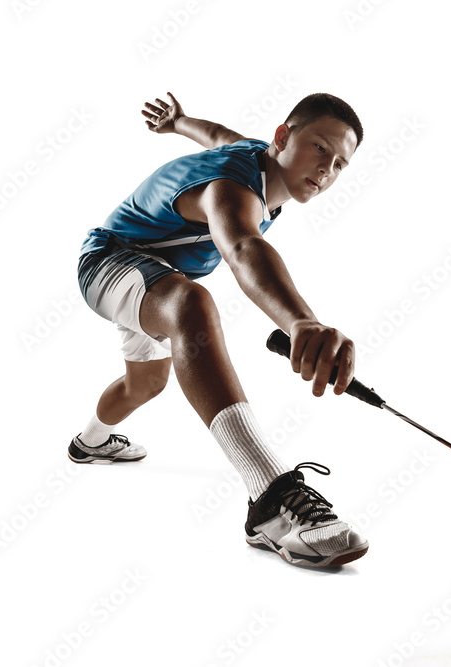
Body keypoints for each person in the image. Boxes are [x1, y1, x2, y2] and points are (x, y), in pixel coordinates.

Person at [72, 91, 367, 568]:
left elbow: (217, 136)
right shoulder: (231, 186)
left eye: (339, 164)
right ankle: (271, 499)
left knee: (144, 385)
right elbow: (244, 247)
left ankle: (90, 442)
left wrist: (180, 121)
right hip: (110, 261)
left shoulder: (262, 160)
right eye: (319, 148)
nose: (326, 169)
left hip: (159, 279)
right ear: (283, 137)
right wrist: (302, 322)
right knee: (193, 303)